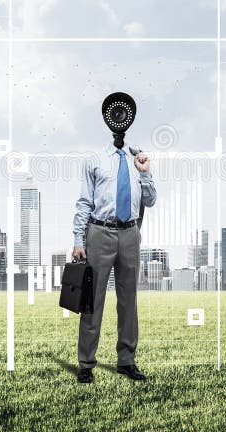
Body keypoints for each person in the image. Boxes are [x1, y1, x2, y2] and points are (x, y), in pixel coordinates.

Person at [71, 139, 156, 383]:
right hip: (100, 232)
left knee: (129, 300)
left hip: (130, 233)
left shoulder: (137, 160)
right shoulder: (94, 161)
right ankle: (86, 363)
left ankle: (126, 361)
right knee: (92, 300)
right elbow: (85, 201)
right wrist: (79, 239)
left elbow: (150, 200)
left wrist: (146, 173)